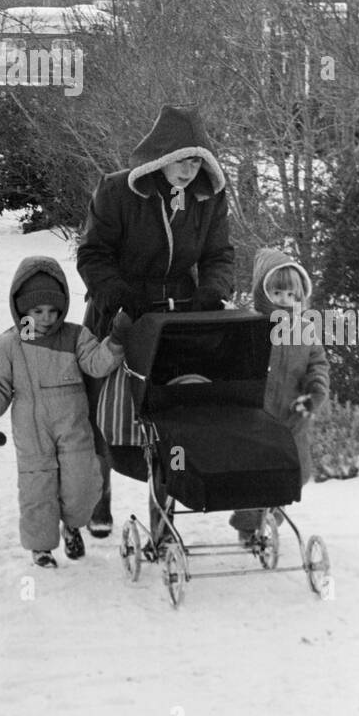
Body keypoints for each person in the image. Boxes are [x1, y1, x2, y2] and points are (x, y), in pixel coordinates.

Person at [76, 104, 235, 536]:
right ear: (162, 156)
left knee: (169, 416)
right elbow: (92, 254)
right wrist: (116, 296)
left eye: (199, 160)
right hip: (119, 314)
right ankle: (98, 497)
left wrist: (211, 293)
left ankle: (162, 522)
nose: (191, 169)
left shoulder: (208, 197)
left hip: (177, 317)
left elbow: (219, 255)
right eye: (184, 159)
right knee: (99, 413)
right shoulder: (116, 192)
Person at [0, 256, 128, 568]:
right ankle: (41, 548)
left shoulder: (75, 337)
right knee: (38, 490)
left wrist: (115, 342)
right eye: (37, 311)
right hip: (33, 434)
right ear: (21, 308)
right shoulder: (9, 344)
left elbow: (96, 364)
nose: (46, 318)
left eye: (53, 311)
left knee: (82, 485)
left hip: (73, 428)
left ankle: (73, 525)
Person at [228, 247, 330, 545]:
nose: (286, 301)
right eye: (278, 293)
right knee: (252, 476)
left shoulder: (306, 330)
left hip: (292, 417)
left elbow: (317, 365)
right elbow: (234, 364)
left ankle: (272, 515)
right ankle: (248, 526)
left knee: (291, 475)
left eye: (292, 295)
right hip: (256, 416)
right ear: (263, 292)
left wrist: (315, 392)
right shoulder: (251, 327)